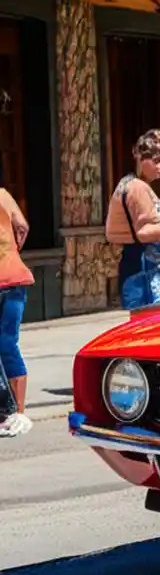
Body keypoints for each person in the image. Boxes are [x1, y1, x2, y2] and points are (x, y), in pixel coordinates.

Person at [105, 130, 160, 309]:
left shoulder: (133, 184)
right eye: (156, 162)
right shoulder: (137, 188)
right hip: (146, 268)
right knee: (156, 324)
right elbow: (144, 232)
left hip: (143, 265)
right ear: (141, 158)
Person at [0, 168, 32, 437]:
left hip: (9, 280)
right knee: (8, 343)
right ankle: (16, 411)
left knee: (7, 344)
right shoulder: (3, 195)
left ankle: (16, 410)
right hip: (15, 277)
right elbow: (22, 226)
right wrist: (13, 251)